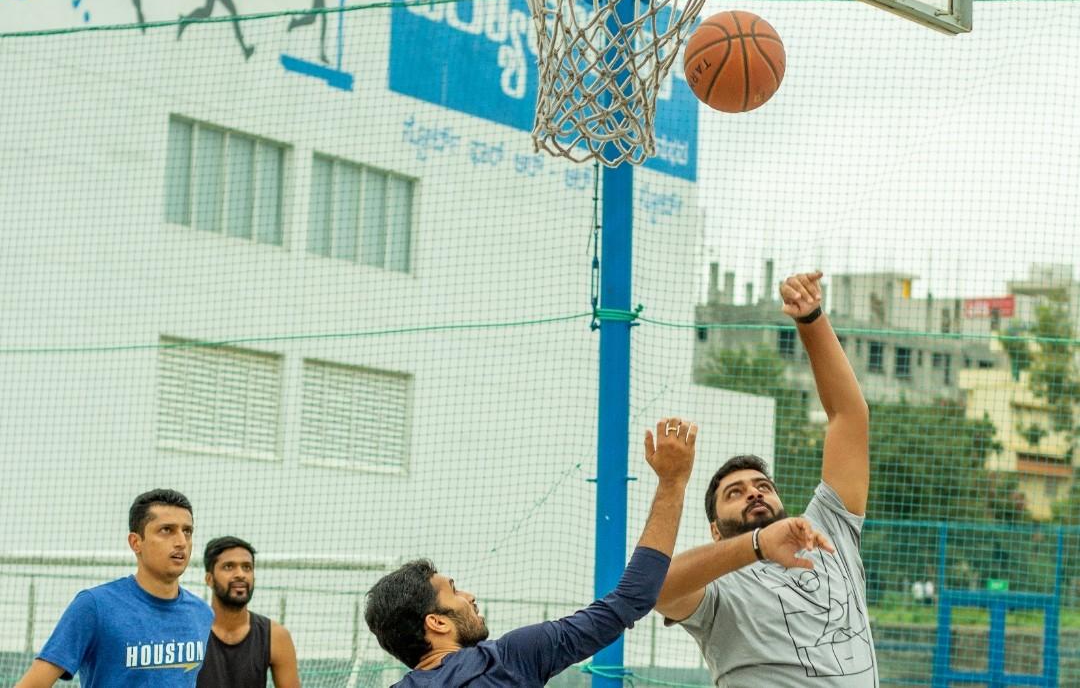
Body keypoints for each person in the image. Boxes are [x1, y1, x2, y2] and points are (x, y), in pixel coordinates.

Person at [657, 270, 879, 686]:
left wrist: (811, 318)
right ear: (715, 531)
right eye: (734, 493)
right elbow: (654, 588)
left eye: (763, 486)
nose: (754, 493)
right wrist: (758, 545)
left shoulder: (828, 531)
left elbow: (850, 417)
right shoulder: (720, 586)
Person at [365, 418, 701, 686]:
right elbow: (631, 600)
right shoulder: (509, 659)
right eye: (454, 591)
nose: (469, 595)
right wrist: (672, 483)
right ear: (436, 621)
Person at [14, 489, 213, 687]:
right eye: (166, 530)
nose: (181, 542)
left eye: (187, 531)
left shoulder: (203, 614)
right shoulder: (95, 606)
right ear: (136, 542)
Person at [196, 536, 301, 688]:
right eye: (228, 567)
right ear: (209, 579)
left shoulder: (276, 636)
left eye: (247, 567)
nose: (240, 574)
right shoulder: (189, 631)